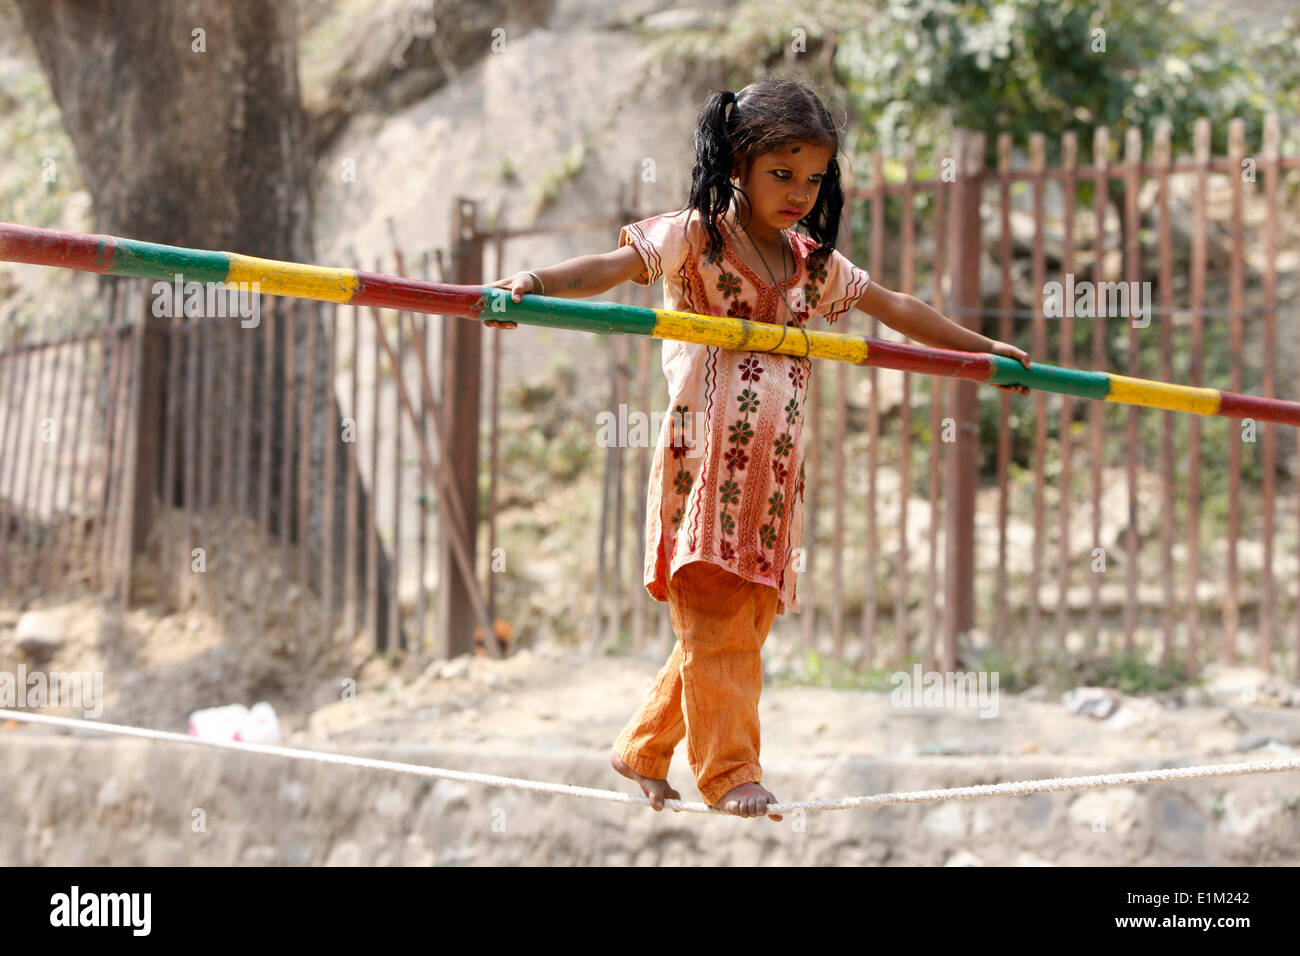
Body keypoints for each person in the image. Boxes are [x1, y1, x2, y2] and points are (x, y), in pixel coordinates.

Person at [487, 78, 1031, 820]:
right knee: (718, 628)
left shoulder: (812, 263)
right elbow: (609, 271)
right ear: (736, 163)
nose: (800, 192)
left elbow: (898, 309)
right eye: (783, 173)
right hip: (703, 476)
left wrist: (982, 351)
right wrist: (535, 285)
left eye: (814, 178)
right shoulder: (695, 237)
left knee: (733, 636)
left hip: (773, 488)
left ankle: (644, 748)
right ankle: (730, 773)